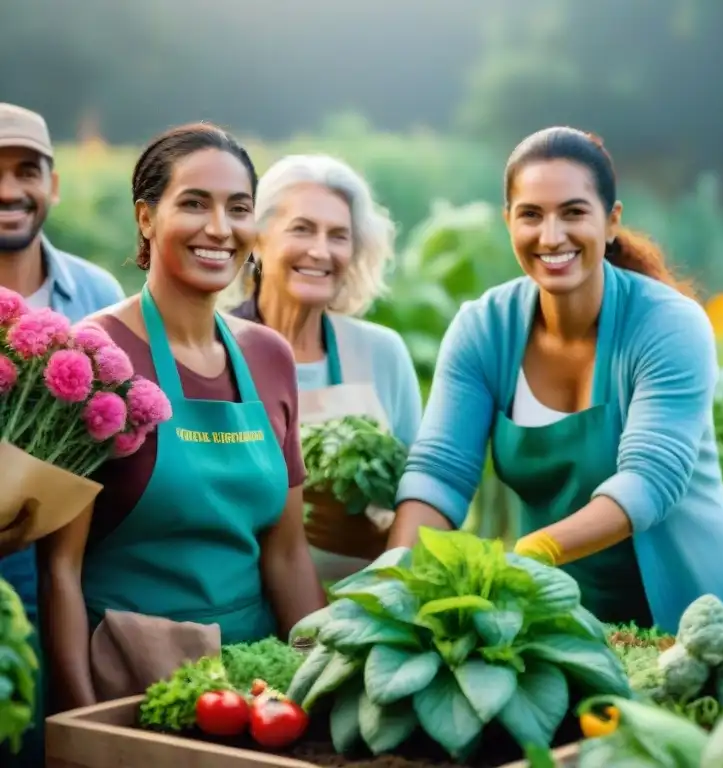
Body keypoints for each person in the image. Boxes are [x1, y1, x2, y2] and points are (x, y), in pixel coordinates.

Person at [387, 127, 723, 632]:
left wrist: (532, 552)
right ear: (508, 222)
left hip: (694, 606)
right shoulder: (484, 329)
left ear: (611, 222)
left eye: (573, 212)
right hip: (561, 613)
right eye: (531, 215)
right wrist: (392, 580)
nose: (551, 236)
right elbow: (439, 474)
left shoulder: (668, 324)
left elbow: (650, 481)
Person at [41, 123, 325, 712]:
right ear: (146, 218)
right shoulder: (96, 355)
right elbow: (60, 569)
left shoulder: (269, 356)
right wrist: (81, 725)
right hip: (129, 680)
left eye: (238, 208)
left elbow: (288, 554)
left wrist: (321, 683)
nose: (220, 228)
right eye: (194, 203)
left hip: (256, 687)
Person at [225, 154, 420, 579]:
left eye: (338, 236)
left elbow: (421, 493)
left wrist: (376, 540)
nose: (320, 251)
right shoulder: (214, 349)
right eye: (302, 229)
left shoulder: (382, 353)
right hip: (245, 600)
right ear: (258, 238)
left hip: (368, 600)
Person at [0, 102, 124, 764]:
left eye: (27, 171)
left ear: (53, 183)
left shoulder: (97, 295)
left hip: (73, 589)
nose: (9, 191)